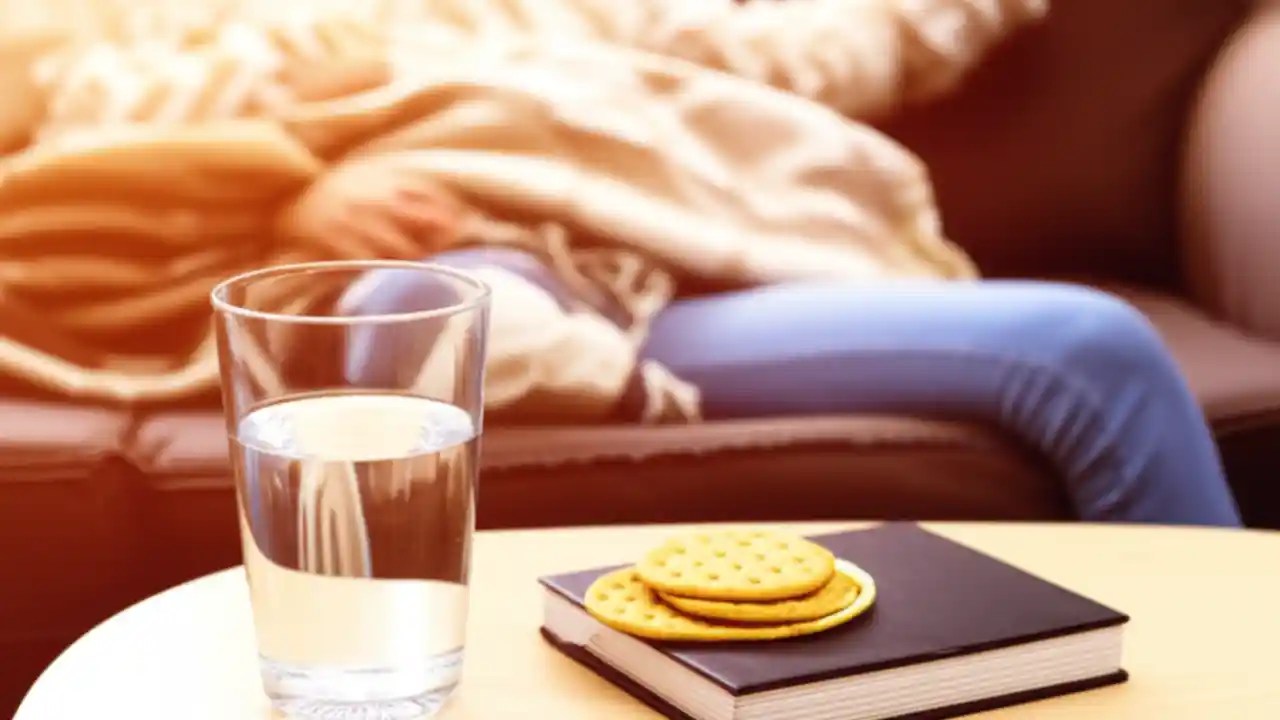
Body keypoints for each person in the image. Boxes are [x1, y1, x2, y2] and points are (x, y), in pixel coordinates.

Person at [361, 246, 1240, 528]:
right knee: (410, 306)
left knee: (1089, 348)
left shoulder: (627, 30)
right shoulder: (313, 40)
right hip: (413, 274)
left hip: (645, 300)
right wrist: (315, 187)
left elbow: (851, 45)